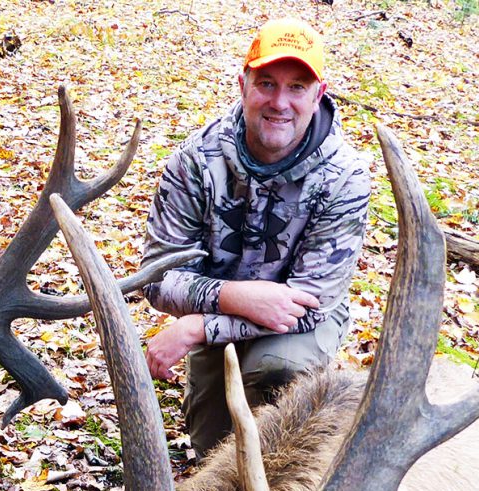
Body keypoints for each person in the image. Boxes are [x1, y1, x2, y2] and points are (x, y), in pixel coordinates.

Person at [142, 17, 371, 454]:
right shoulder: (194, 162)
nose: (279, 102)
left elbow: (308, 306)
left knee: (277, 373)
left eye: (297, 87)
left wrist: (199, 327)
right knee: (213, 446)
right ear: (243, 84)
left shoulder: (346, 179)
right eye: (266, 83)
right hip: (224, 307)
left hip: (300, 326)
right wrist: (234, 297)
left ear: (318, 94)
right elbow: (157, 278)